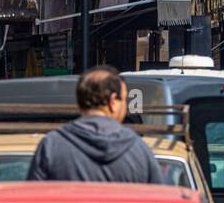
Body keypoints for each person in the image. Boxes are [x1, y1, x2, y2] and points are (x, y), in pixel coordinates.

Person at [26, 65, 161, 184]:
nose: (125, 107)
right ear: (113, 101)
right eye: (124, 100)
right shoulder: (139, 150)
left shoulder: (51, 146)